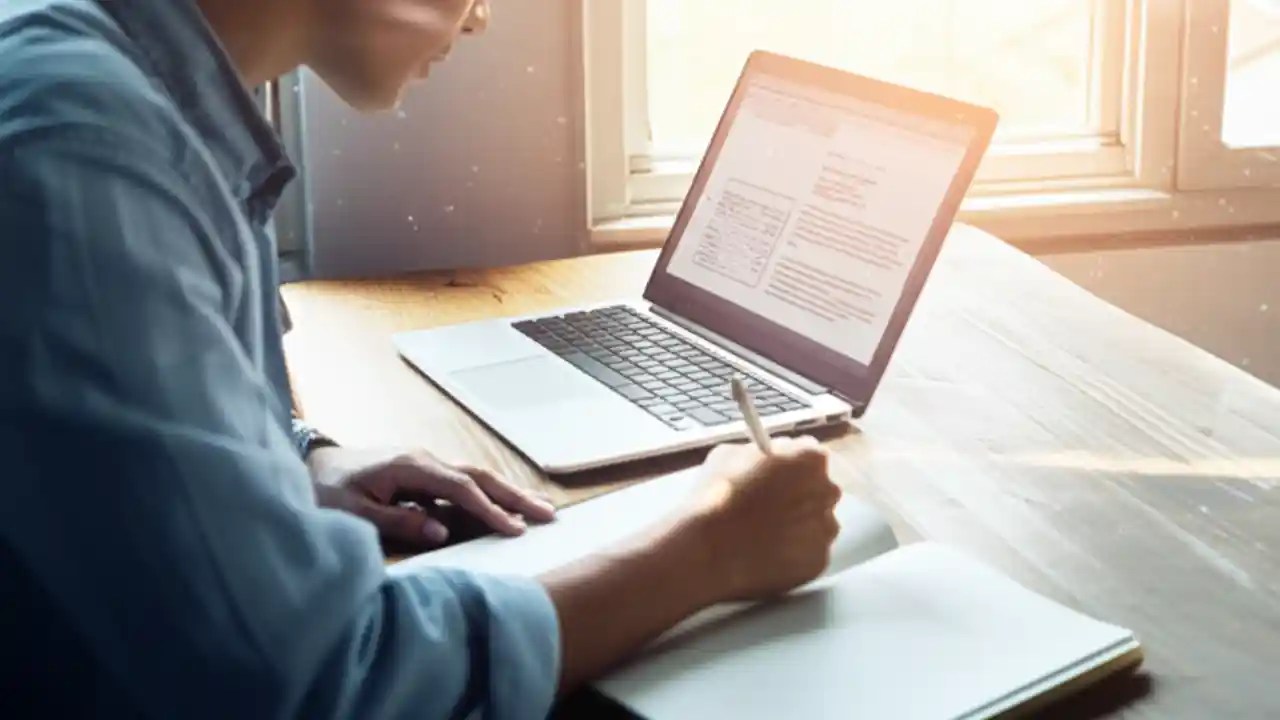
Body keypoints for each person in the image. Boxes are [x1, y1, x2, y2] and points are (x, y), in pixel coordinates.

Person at [0, 0, 842, 717]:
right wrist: (707, 552)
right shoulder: (85, 161)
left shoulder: (112, 86)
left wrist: (295, 461)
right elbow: (321, 683)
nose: (479, 17)